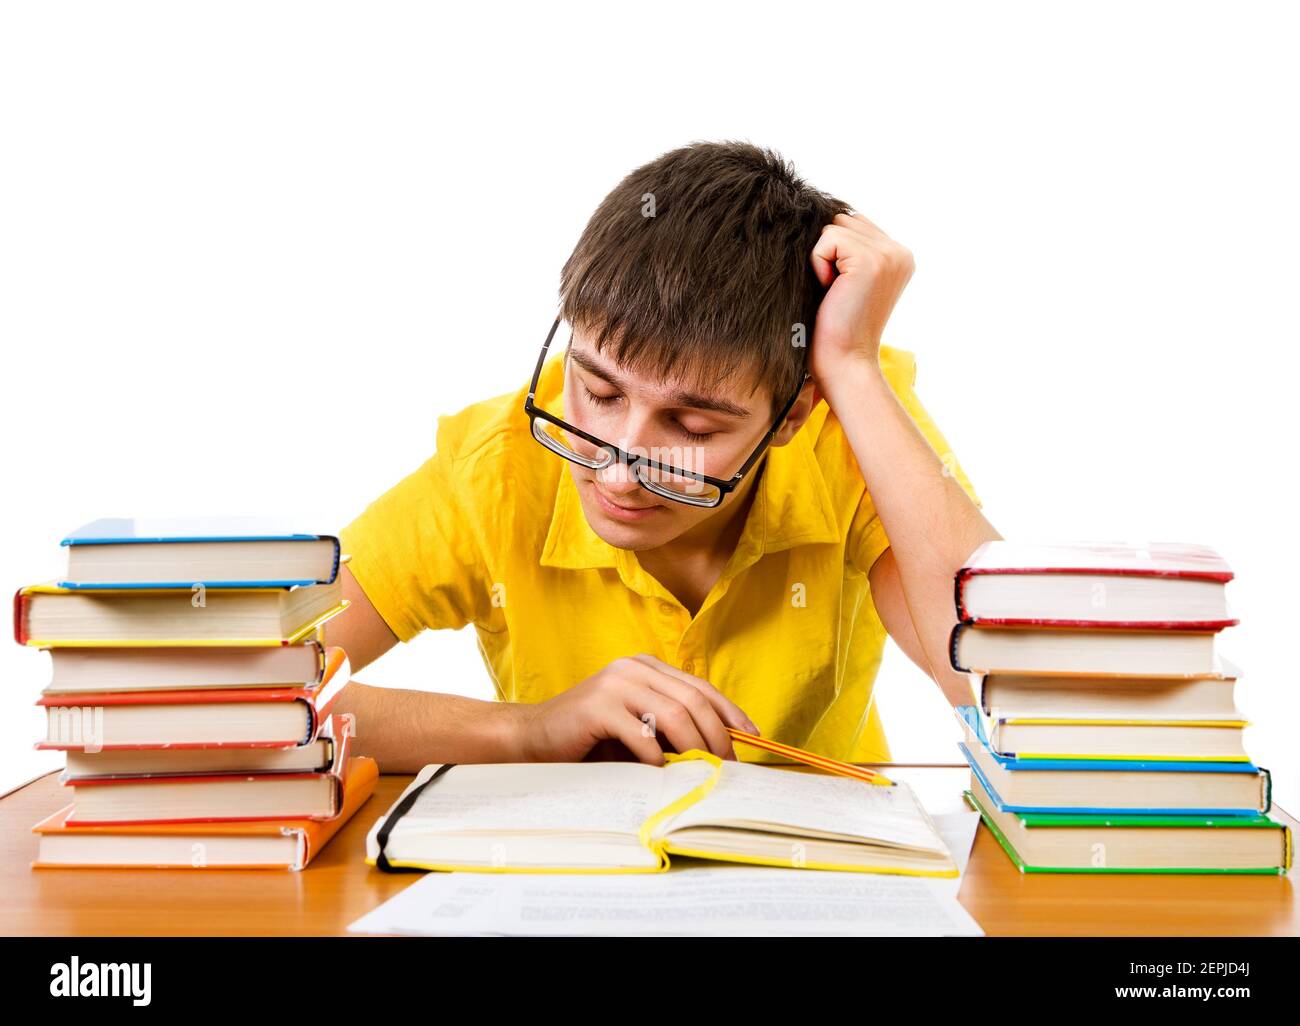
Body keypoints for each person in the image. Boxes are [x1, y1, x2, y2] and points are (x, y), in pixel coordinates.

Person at [325, 141, 1000, 772]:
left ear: (793, 413)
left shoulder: (853, 432)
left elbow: (1001, 691)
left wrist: (849, 369)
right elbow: (249, 694)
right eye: (597, 390)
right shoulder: (493, 470)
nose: (617, 470)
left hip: (820, 877)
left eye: (693, 426)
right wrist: (524, 730)